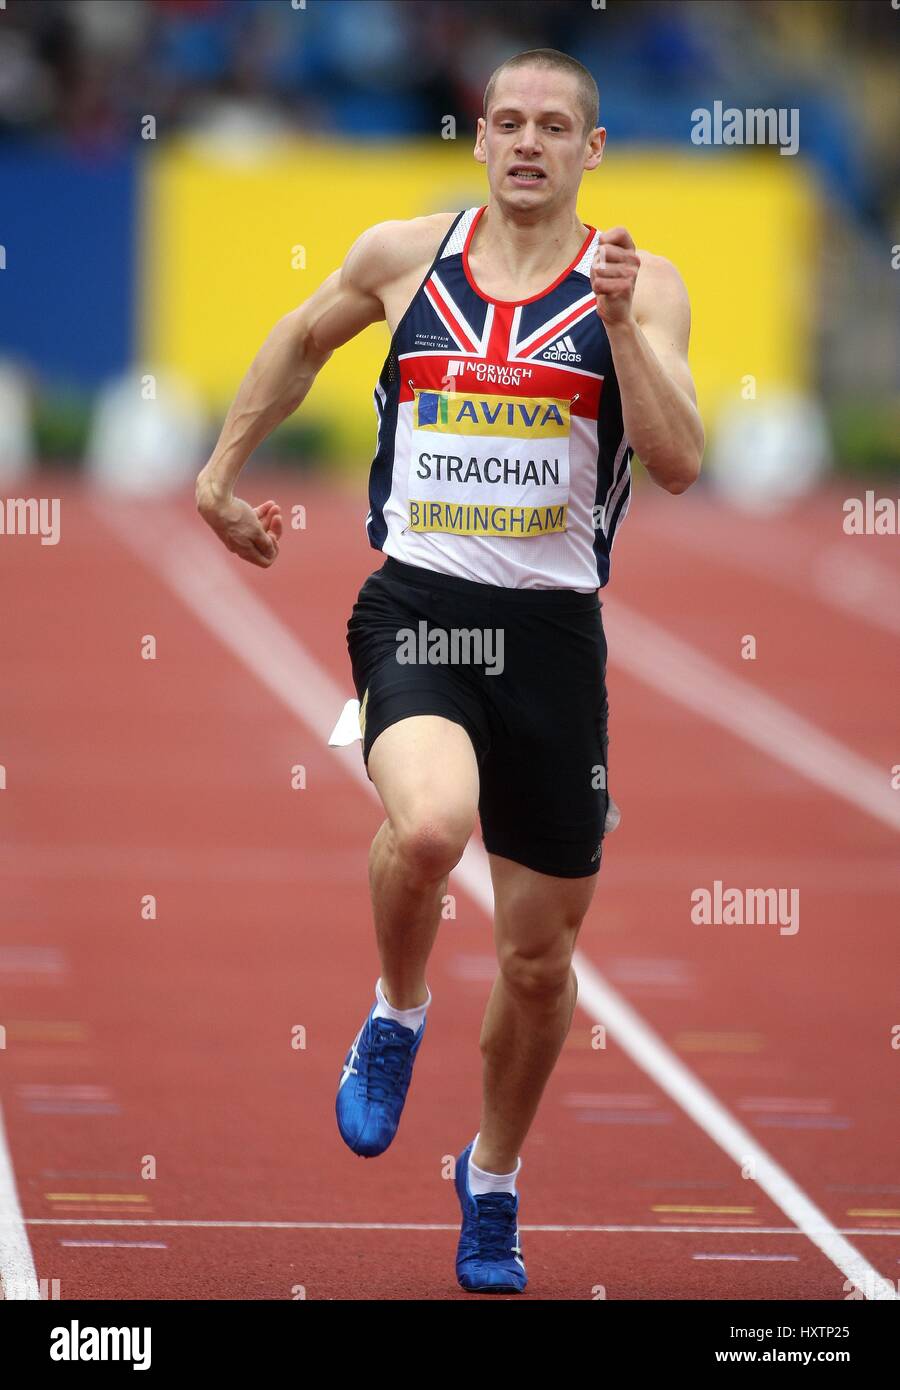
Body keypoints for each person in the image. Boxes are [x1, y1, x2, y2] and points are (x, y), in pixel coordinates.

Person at [196, 47, 703, 1295]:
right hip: (417, 609)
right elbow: (302, 337)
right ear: (479, 141)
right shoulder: (406, 255)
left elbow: (680, 458)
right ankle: (397, 1010)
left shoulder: (640, 286)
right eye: (507, 122)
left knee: (539, 963)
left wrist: (628, 331)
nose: (527, 142)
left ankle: (491, 1178)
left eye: (555, 126)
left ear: (593, 151)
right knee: (428, 828)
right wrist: (219, 478)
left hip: (553, 641)